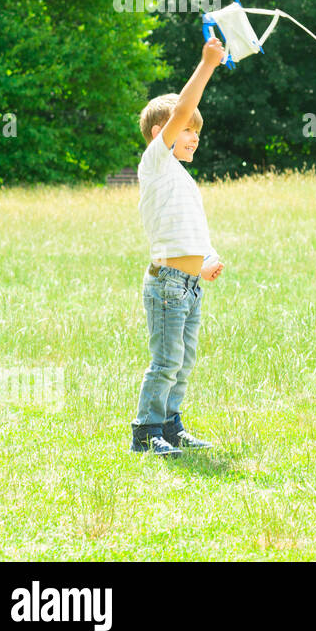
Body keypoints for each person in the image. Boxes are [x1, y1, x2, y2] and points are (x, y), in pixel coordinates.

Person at [130, 34, 227, 455]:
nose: (194, 136)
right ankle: (145, 432)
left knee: (182, 364)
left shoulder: (183, 179)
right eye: (188, 130)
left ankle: (170, 426)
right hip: (166, 283)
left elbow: (188, 230)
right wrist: (207, 64)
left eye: (196, 132)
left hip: (188, 285)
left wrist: (206, 258)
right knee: (165, 361)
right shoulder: (156, 162)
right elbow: (184, 106)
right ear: (161, 133)